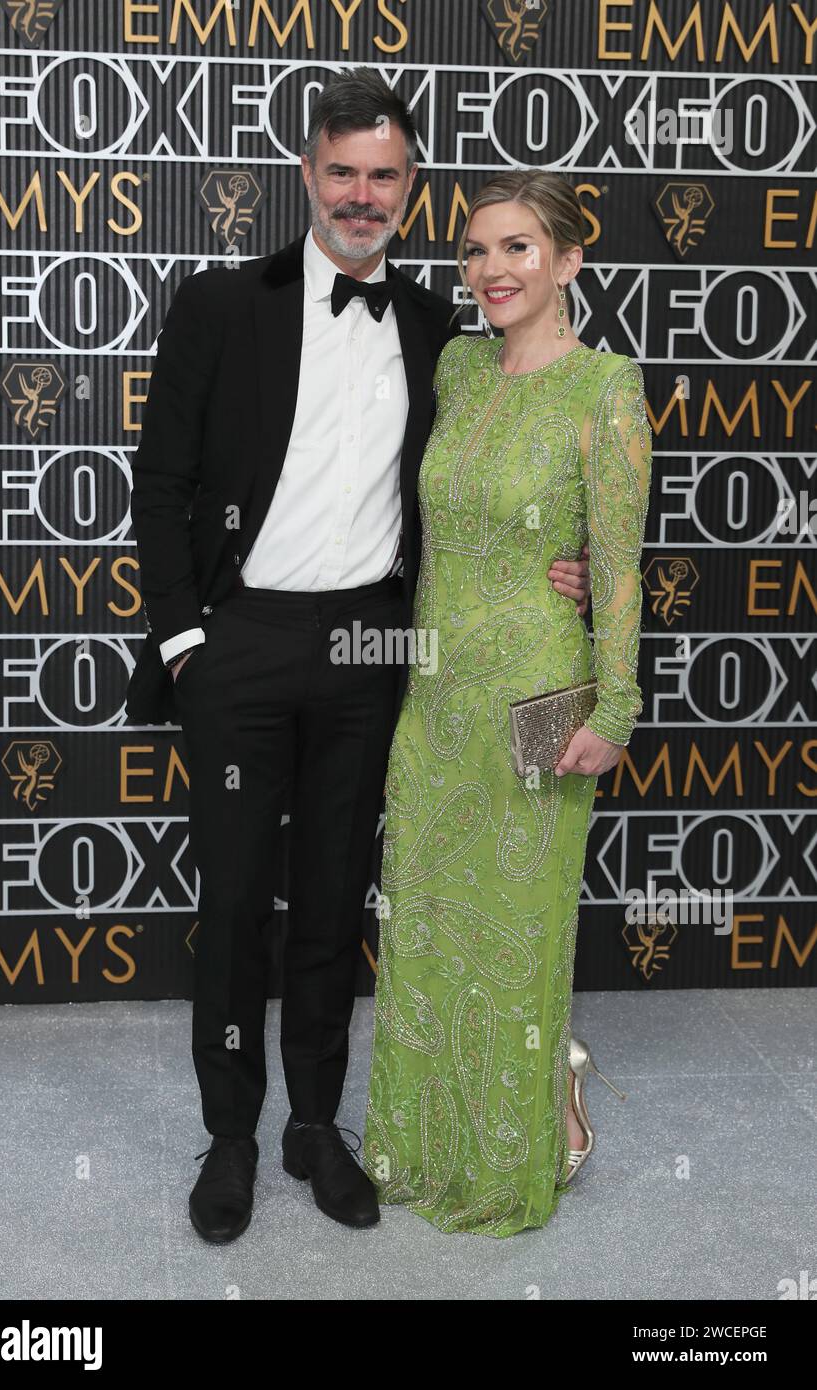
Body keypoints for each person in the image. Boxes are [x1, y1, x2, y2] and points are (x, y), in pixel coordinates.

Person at [126, 69, 590, 1243]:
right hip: (236, 644)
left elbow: (500, 473)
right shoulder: (219, 304)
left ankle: (314, 1126)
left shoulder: (445, 332)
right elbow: (162, 484)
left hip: (370, 645)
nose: (362, 194)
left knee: (335, 897)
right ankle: (230, 1136)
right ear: (307, 174)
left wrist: (554, 563)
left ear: (410, 186)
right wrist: (186, 641)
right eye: (342, 171)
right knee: (235, 906)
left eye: (385, 175)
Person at [362, 168, 652, 1237]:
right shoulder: (455, 367)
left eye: (516, 248)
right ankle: (427, 1141)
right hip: (434, 698)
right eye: (475, 251)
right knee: (429, 926)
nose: (489, 270)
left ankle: (528, 1133)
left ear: (568, 260)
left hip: (539, 693)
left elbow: (615, 569)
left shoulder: (606, 388)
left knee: (516, 930)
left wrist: (611, 711)